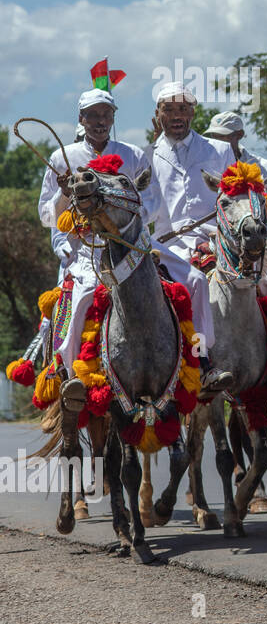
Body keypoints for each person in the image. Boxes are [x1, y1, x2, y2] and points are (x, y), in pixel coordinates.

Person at [37, 87, 162, 401]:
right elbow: (46, 216)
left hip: (130, 248)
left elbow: (153, 203)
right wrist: (64, 193)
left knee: (177, 289)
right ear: (81, 118)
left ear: (113, 118)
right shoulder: (62, 157)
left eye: (106, 115)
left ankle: (189, 366)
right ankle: (67, 377)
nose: (100, 121)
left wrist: (124, 222)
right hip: (84, 252)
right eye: (93, 115)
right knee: (81, 298)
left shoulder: (133, 155)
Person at [146, 81, 236, 390]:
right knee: (195, 280)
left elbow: (235, 198)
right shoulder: (145, 156)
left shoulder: (220, 150)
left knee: (263, 285)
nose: (176, 115)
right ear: (157, 114)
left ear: (193, 113)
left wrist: (222, 235)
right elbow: (142, 210)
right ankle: (203, 360)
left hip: (217, 240)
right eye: (169, 109)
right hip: (167, 245)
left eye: (183, 109)